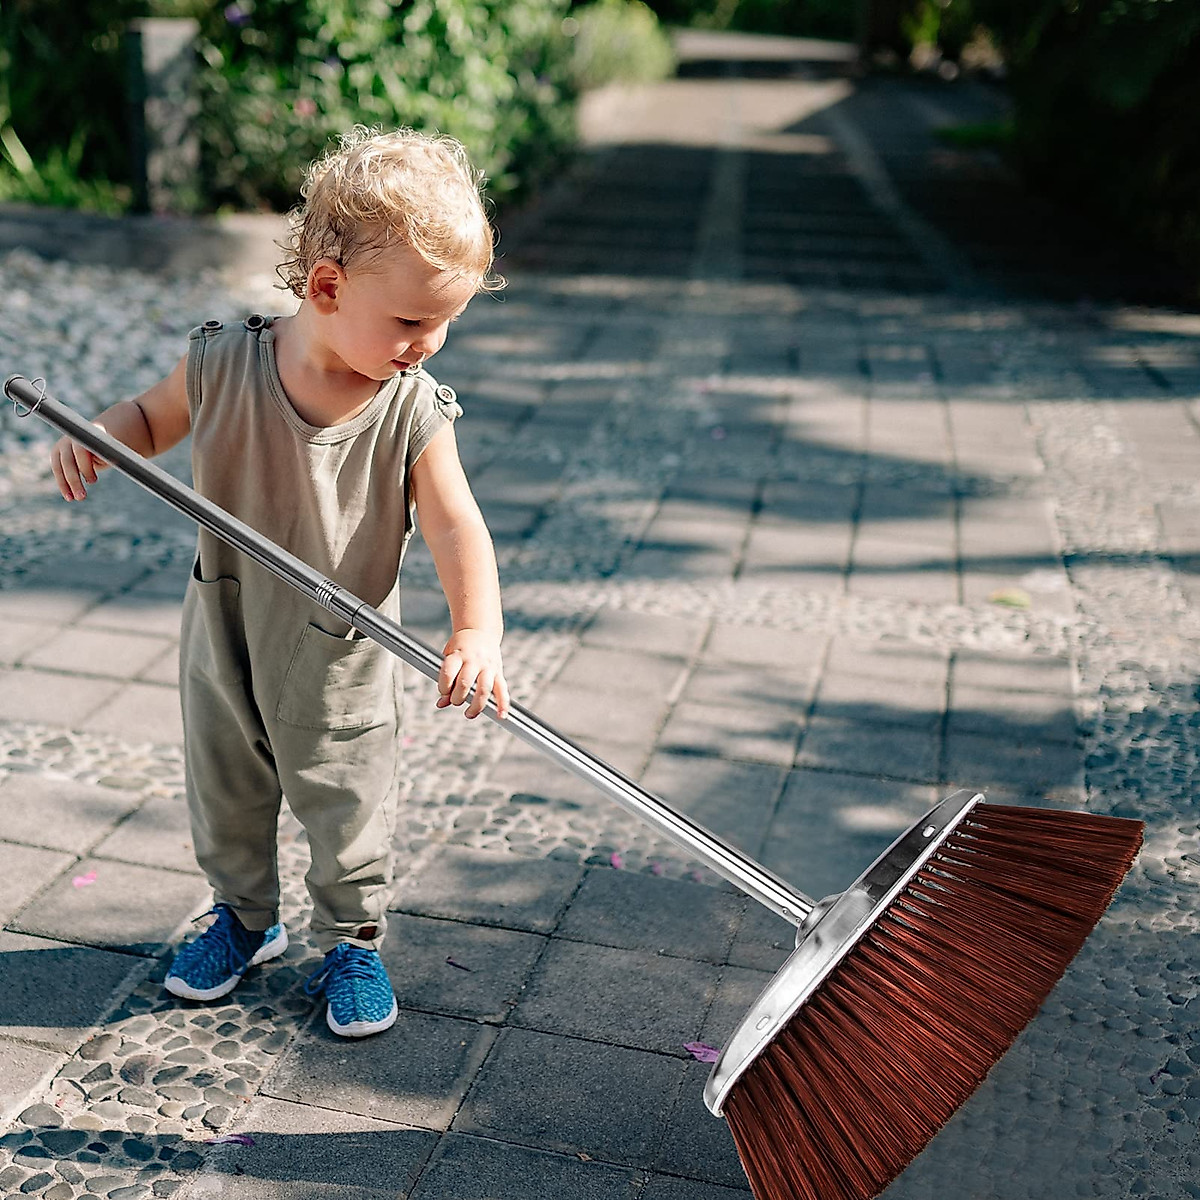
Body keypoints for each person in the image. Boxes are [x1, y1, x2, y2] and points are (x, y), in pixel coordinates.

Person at [49, 126, 511, 1038]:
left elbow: (458, 523)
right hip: (224, 624)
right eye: (414, 322)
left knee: (345, 796)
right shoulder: (222, 359)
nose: (433, 343)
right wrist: (98, 436)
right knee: (225, 784)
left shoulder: (409, 407)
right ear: (329, 288)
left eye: (445, 321)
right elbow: (149, 416)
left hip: (338, 649)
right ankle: (242, 917)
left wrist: (477, 632)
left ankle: (353, 938)